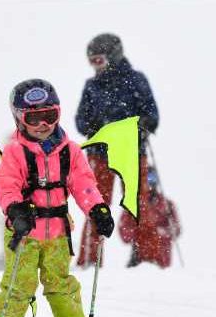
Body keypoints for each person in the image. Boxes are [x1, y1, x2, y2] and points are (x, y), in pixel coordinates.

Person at [0, 79, 115, 317]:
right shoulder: (15, 152)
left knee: (62, 286)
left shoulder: (70, 151)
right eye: (34, 118)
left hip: (57, 233)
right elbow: (7, 185)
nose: (43, 124)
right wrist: (15, 209)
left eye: (50, 115)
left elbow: (83, 183)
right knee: (18, 287)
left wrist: (96, 208)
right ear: (19, 118)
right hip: (24, 233)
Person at [75, 33, 159, 269]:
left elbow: (152, 114)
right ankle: (90, 260)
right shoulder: (92, 86)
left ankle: (146, 257)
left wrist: (142, 125)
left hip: (131, 152)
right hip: (101, 154)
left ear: (113, 56)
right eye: (92, 62)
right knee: (96, 204)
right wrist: (93, 125)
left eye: (99, 61)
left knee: (138, 202)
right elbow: (81, 121)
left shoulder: (136, 80)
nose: (95, 67)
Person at [119, 167, 180, 268]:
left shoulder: (167, 205)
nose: (150, 182)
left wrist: (159, 232)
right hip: (139, 261)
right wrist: (140, 232)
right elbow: (124, 233)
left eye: (152, 178)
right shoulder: (133, 205)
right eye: (146, 178)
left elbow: (176, 230)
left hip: (161, 263)